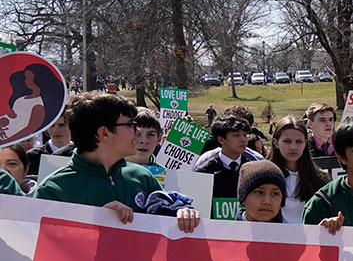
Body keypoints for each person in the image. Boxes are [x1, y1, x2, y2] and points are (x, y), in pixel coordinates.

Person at [33, 91, 199, 232]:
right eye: (130, 125)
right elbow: (47, 251)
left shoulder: (143, 177)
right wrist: (97, 223)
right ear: (104, 133)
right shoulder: (53, 190)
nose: (138, 131)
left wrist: (182, 214)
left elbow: (163, 230)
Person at [266, 116, 331, 224]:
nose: (293, 147)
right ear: (276, 143)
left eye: (299, 142)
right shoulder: (263, 176)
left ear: (305, 143)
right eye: (287, 141)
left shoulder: (321, 179)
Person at [194, 115, 259, 201]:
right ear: (221, 140)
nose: (243, 140)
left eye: (245, 135)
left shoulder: (253, 170)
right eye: (236, 135)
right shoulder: (205, 171)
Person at [0, 64, 66, 143]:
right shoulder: (22, 98)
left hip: (10, 137)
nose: (26, 81)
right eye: (26, 77)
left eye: (30, 78)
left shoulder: (38, 105)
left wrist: (7, 141)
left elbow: (29, 129)